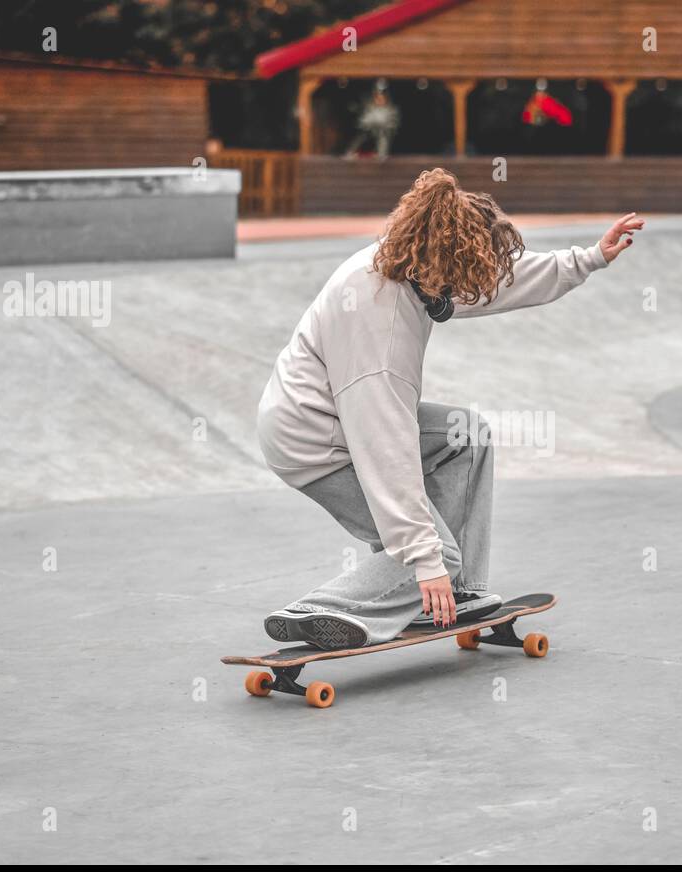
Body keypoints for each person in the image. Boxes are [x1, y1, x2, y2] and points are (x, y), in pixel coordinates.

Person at [256, 168, 643, 649]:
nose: (470, 290)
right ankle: (324, 608)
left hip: (333, 419)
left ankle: (457, 593)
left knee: (467, 433)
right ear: (444, 265)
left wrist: (587, 260)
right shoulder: (381, 327)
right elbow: (385, 447)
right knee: (433, 551)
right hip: (315, 443)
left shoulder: (411, 264)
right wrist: (426, 560)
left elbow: (496, 282)